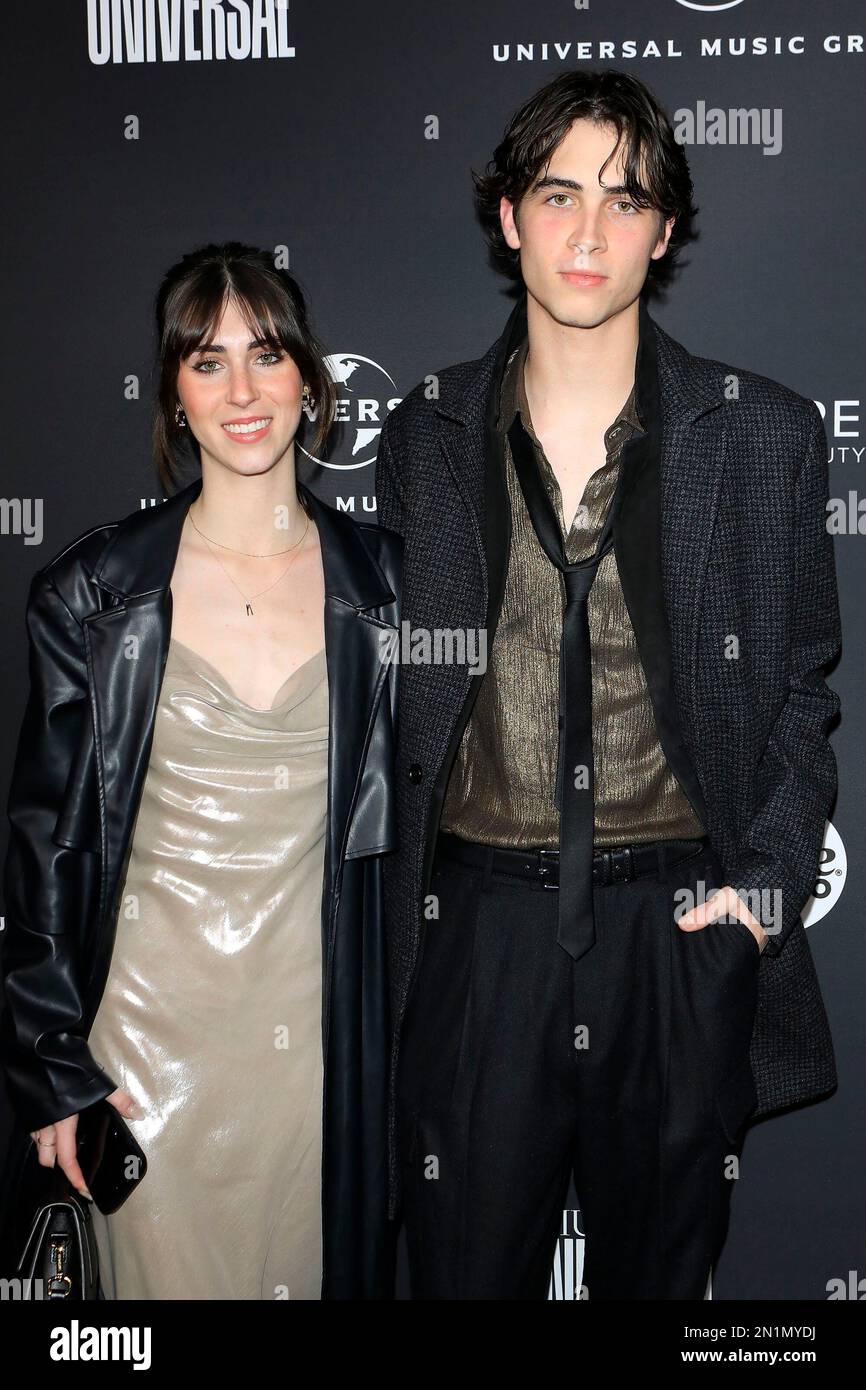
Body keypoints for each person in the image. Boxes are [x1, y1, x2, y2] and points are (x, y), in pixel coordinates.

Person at [375, 69, 841, 1299]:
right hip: (475, 931)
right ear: (507, 217)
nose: (589, 231)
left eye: (624, 199)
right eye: (557, 193)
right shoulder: (422, 434)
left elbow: (802, 688)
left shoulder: (762, 434)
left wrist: (761, 886)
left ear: (664, 230)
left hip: (675, 931)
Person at [0, 242, 402, 1300]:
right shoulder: (93, 594)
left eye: (266, 356)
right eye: (207, 361)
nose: (241, 390)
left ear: (309, 379)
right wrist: (54, 1066)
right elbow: (43, 846)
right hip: (142, 1052)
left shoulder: (391, 588)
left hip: (319, 1050)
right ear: (173, 394)